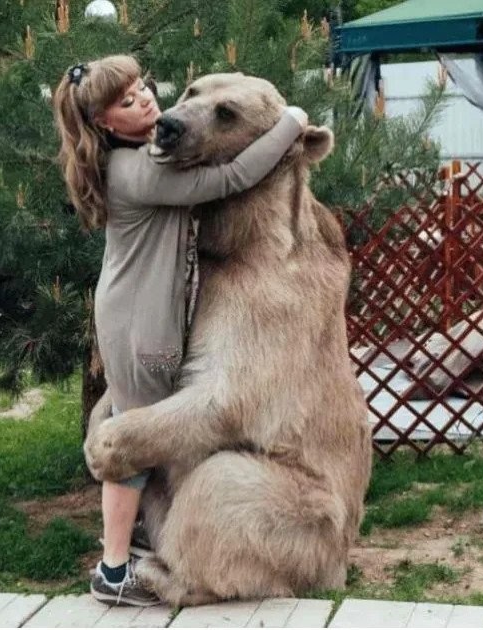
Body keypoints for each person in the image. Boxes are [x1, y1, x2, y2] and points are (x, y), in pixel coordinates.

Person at [52, 55, 308, 606]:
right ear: (102, 122)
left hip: (135, 309)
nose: (150, 102)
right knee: (129, 444)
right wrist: (292, 122)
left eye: (144, 88)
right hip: (141, 319)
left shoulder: (139, 156)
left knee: (133, 427)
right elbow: (235, 176)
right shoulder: (142, 172)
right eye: (126, 102)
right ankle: (115, 570)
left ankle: (132, 545)